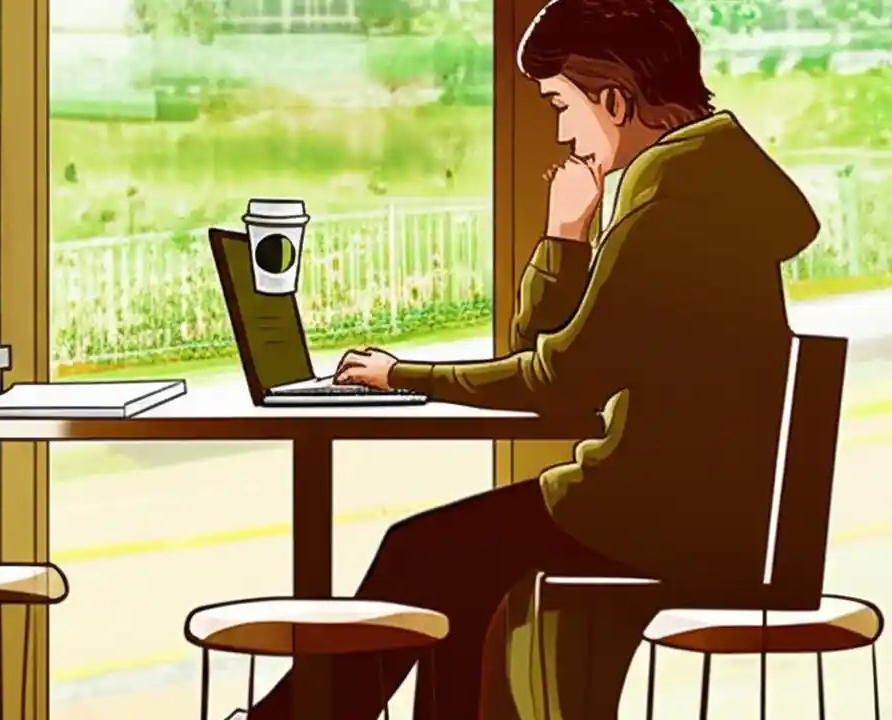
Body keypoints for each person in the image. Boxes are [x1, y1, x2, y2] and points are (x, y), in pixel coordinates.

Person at [225, 0, 821, 718]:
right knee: (453, 566)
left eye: (561, 106)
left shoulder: (671, 209)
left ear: (613, 98)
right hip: (688, 510)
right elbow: (553, 356)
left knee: (423, 552)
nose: (564, 132)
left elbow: (555, 384)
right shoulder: (700, 183)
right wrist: (565, 234)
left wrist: (400, 374)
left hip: (650, 517)